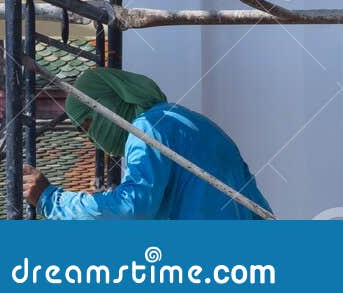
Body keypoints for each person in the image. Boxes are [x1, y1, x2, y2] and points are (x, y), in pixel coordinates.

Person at [20, 67, 271, 220]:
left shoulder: (148, 128)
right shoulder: (189, 122)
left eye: (89, 126)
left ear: (107, 105)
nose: (93, 140)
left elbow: (132, 208)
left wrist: (49, 199)